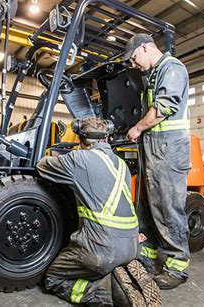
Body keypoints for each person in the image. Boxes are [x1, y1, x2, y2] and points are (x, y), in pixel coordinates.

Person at [37, 117, 159, 306]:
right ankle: (120, 273)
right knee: (97, 263)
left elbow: (42, 165)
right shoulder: (122, 165)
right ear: (106, 138)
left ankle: (111, 296)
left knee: (54, 279)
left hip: (100, 250)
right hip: (132, 246)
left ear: (80, 138)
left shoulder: (79, 159)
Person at [124, 34, 191, 289]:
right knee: (147, 208)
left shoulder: (172, 68)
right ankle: (148, 256)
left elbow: (163, 107)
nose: (133, 65)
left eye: (133, 59)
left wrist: (138, 128)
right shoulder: (151, 76)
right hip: (154, 151)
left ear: (144, 47)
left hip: (169, 151)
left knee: (168, 208)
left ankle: (177, 267)